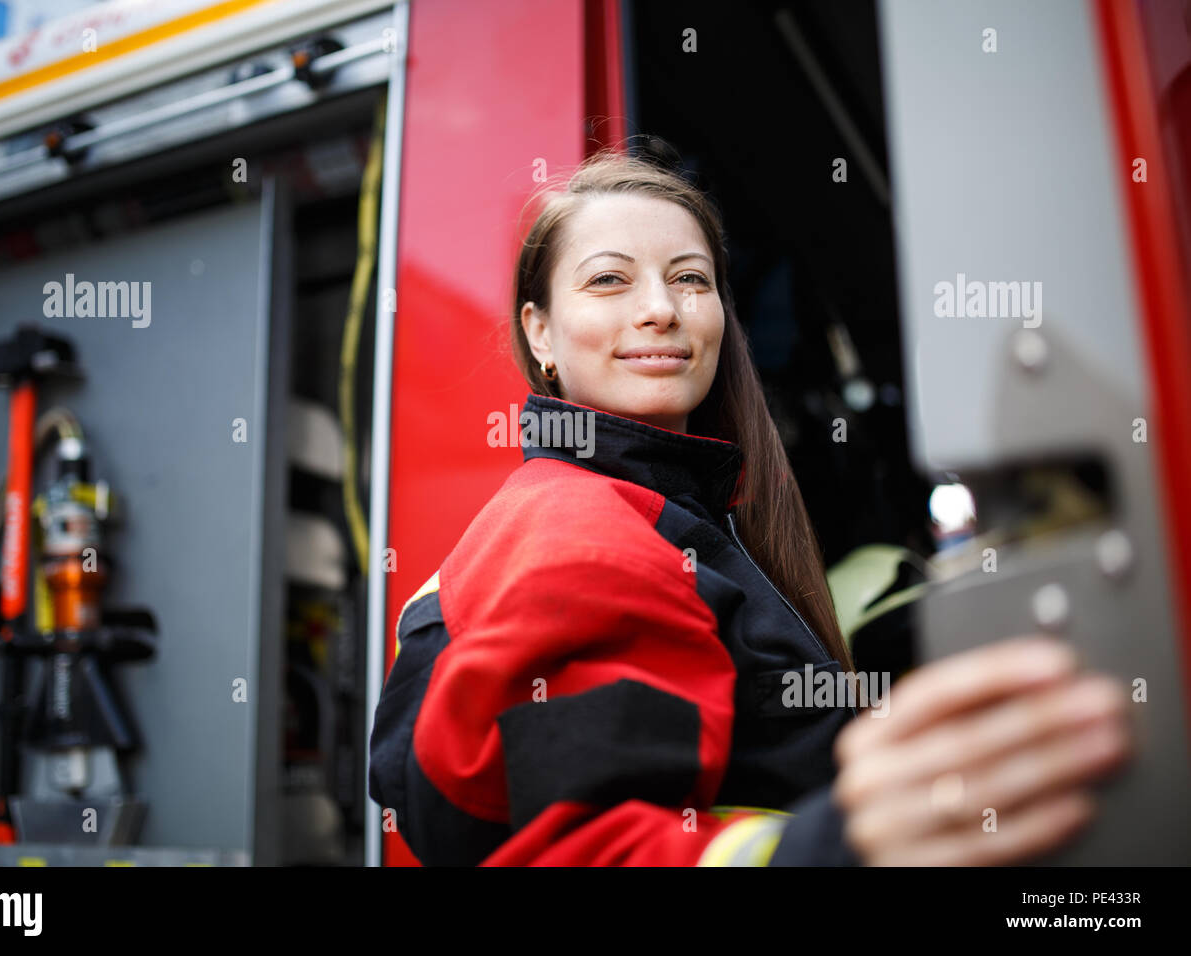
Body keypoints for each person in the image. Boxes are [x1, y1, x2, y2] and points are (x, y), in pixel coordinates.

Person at [368, 145, 1133, 866]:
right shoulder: (583, 532)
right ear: (540, 333)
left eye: (691, 279)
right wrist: (841, 844)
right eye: (609, 280)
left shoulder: (671, 512)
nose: (661, 309)